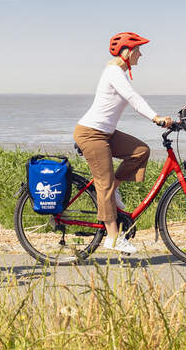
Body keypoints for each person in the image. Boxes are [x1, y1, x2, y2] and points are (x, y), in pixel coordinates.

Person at [74, 31, 174, 255]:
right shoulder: (113, 73)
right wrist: (156, 117)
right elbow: (133, 98)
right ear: (127, 52)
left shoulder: (119, 73)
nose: (141, 54)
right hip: (91, 134)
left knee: (141, 151)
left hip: (106, 133)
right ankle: (112, 238)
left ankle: (113, 189)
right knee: (105, 184)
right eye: (138, 50)